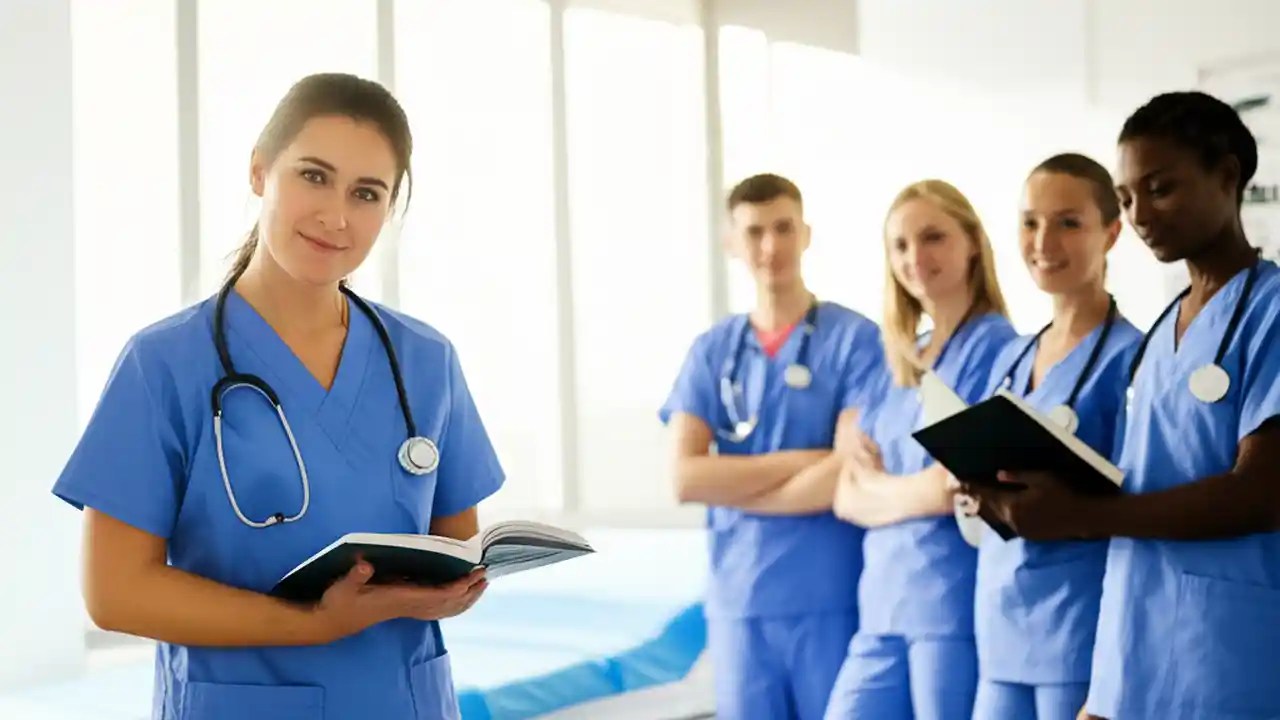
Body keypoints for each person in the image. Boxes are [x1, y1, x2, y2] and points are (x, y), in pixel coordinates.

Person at [51, 73, 504, 719]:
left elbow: (456, 546)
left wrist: (457, 588)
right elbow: (115, 593)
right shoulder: (164, 365)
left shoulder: (425, 361)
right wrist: (313, 623)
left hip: (401, 700)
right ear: (260, 172)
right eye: (313, 176)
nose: (336, 216)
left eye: (366, 193)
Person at [970, 91, 1280, 720]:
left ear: (1227, 176)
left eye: (1161, 189)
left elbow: (1263, 492)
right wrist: (1105, 684)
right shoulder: (1165, 328)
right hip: (1132, 648)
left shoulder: (1269, 314)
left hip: (1227, 652)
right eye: (1129, 196)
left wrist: (1085, 514)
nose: (1140, 215)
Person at [659, 173, 889, 720]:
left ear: (805, 233)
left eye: (784, 228)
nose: (771, 246)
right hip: (740, 606)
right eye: (755, 231)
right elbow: (685, 480)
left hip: (830, 597)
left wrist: (731, 486)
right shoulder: (712, 351)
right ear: (731, 242)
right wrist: (809, 461)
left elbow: (846, 476)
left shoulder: (856, 340)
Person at [824, 179, 1017, 720]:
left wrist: (883, 492)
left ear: (973, 242)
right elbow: (845, 497)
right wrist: (914, 490)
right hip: (881, 607)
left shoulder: (998, 347)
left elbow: (957, 488)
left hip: (948, 609)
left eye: (933, 237)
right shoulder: (900, 363)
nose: (915, 258)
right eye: (900, 246)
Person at [966, 154, 1142, 720]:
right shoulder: (1013, 357)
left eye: (1069, 222)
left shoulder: (1133, 359)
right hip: (999, 627)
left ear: (1111, 232)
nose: (1045, 241)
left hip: (1078, 630)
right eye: (1030, 221)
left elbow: (1139, 509)